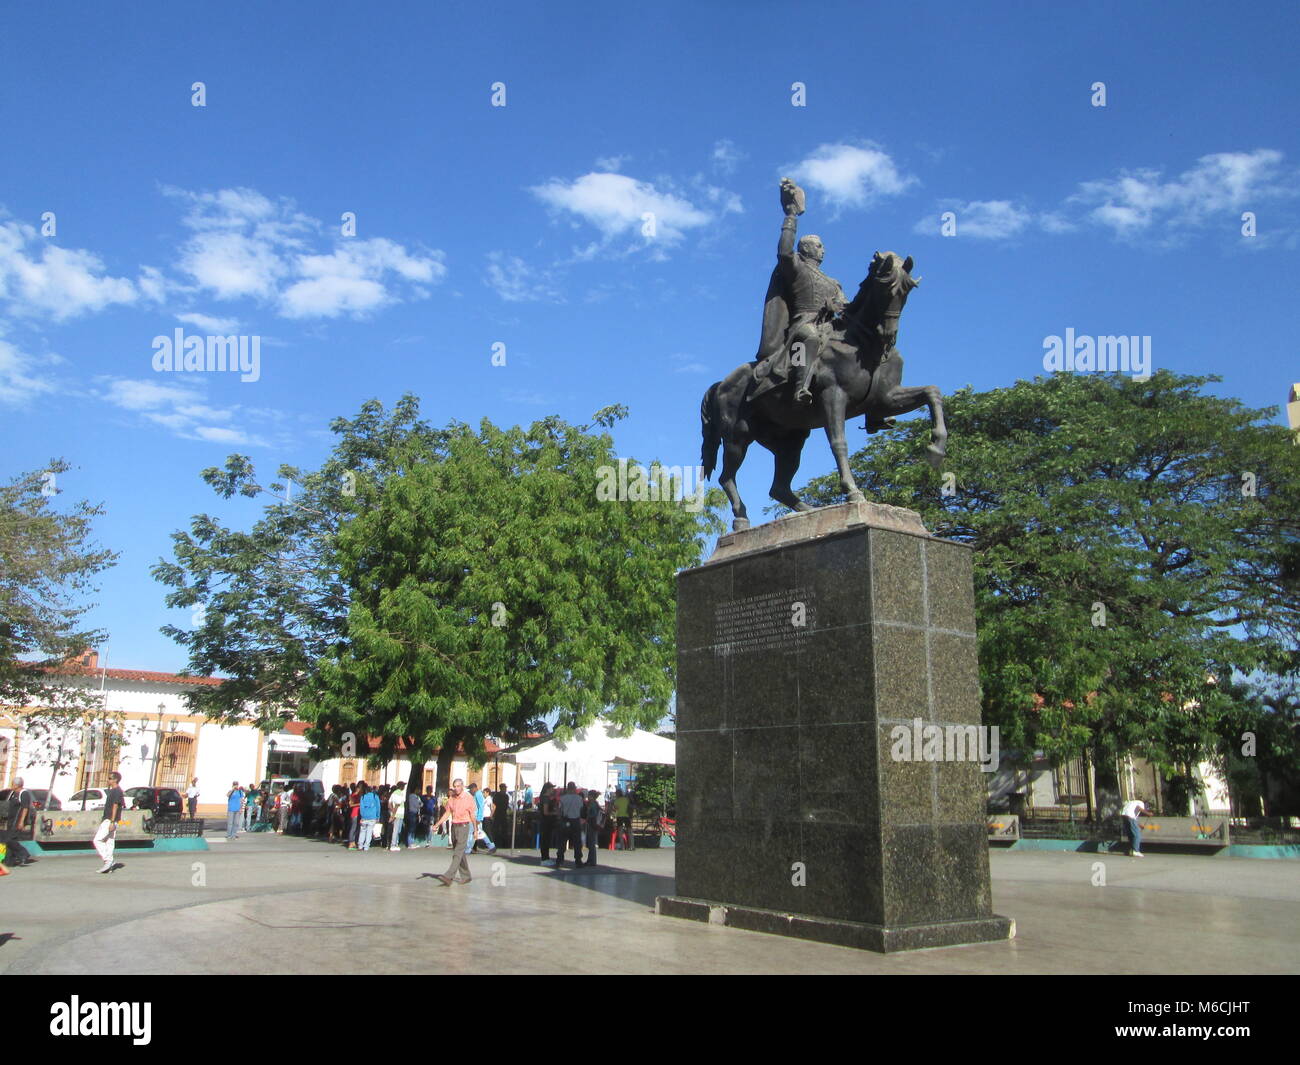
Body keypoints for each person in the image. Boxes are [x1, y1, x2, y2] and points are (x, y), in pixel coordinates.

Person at [430, 778, 477, 885]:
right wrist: (437, 824)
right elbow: (447, 813)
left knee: (457, 852)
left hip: (464, 826)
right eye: (454, 786)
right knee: (459, 852)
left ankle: (448, 876)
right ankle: (466, 876)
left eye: (458, 786)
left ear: (462, 786)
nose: (456, 788)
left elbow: (472, 815)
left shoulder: (468, 798)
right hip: (454, 826)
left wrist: (475, 829)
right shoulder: (452, 798)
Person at [95, 771, 125, 874]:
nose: (108, 780)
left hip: (110, 820)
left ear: (115, 780)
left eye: (109, 778)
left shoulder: (116, 791)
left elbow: (115, 806)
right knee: (109, 842)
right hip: (110, 820)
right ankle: (109, 865)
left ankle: (108, 860)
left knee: (97, 840)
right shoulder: (114, 791)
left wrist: (112, 821)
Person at [551, 781, 585, 868]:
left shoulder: (563, 798)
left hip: (565, 820)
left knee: (562, 841)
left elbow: (560, 810)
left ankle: (559, 860)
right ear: (574, 788)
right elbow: (581, 809)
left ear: (567, 788)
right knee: (577, 842)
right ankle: (578, 861)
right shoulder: (579, 798)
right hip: (576, 821)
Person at [4, 777, 35, 867]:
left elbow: (25, 808)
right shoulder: (13, 793)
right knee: (8, 839)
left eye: (12, 784)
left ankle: (23, 853)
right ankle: (9, 861)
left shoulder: (24, 793)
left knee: (10, 839)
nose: (11, 785)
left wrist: (21, 822)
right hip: (10, 821)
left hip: (17, 821)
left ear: (17, 785)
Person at [582, 790, 603, 867]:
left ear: (591, 796)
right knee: (591, 843)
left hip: (592, 824)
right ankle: (590, 860)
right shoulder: (595, 803)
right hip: (594, 824)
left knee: (591, 843)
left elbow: (593, 814)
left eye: (589, 795)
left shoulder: (593, 804)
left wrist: (587, 815)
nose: (588, 797)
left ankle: (592, 861)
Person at [537, 782, 557, 863]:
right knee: (545, 840)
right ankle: (545, 859)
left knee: (546, 840)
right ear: (548, 789)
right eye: (552, 788)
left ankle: (546, 858)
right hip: (546, 821)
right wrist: (554, 813)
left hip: (545, 821)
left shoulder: (545, 797)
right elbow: (545, 812)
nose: (553, 789)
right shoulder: (545, 798)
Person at [358, 782, 380, 851]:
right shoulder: (375, 796)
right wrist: (378, 816)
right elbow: (378, 807)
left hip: (364, 817)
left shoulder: (363, 797)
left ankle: (360, 845)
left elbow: (361, 807)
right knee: (369, 832)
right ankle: (366, 846)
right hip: (372, 817)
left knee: (362, 831)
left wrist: (362, 816)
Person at [388, 782, 406, 852]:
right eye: (403, 786)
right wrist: (393, 814)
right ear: (400, 786)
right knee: (396, 830)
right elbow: (397, 804)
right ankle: (393, 845)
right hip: (398, 814)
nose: (404, 787)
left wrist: (392, 812)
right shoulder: (399, 793)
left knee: (397, 830)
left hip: (397, 814)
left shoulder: (393, 793)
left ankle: (394, 844)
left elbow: (389, 804)